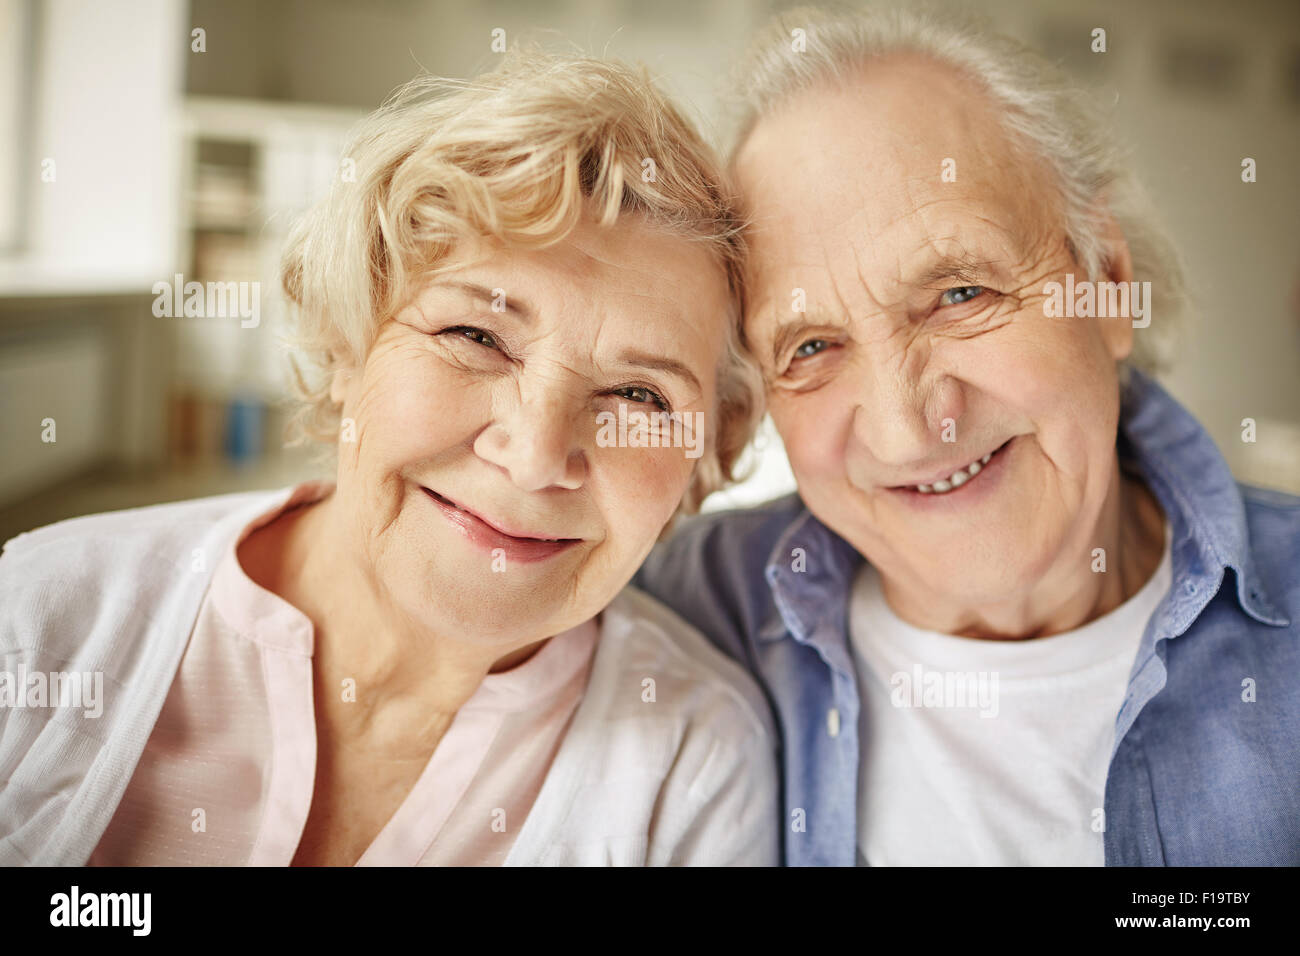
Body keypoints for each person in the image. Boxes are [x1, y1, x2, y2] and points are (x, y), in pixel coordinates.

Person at [0, 50, 777, 867]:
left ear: (703, 455)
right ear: (348, 347)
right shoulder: (41, 624)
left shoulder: (700, 768)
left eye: (641, 397)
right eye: (475, 336)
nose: (536, 455)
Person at [635, 6, 1300, 866]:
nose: (912, 430)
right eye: (811, 347)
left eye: (960, 294)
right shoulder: (689, 615)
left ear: (1108, 280)